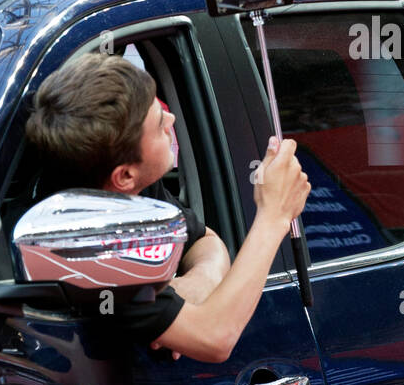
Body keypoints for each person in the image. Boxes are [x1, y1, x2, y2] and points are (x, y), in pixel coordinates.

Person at [24, 52, 311, 363]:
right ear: (124, 175)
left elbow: (204, 240)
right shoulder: (93, 254)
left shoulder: (128, 186)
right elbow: (216, 338)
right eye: (159, 124)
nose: (171, 119)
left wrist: (190, 289)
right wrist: (274, 215)